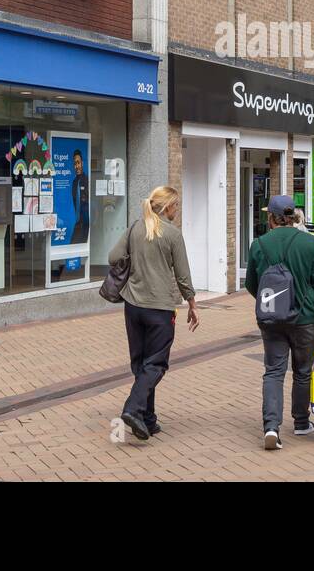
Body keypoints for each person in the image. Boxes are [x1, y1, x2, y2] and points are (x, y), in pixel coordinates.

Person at [108, 186, 199, 441]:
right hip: (159, 309)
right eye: (176, 206)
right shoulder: (172, 234)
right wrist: (192, 304)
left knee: (141, 364)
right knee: (156, 364)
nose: (177, 210)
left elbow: (113, 256)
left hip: (133, 306)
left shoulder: (136, 227)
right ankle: (132, 409)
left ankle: (147, 419)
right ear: (167, 206)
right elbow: (182, 275)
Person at [246, 194, 314, 450]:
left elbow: (252, 283)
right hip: (305, 319)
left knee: (273, 371)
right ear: (292, 216)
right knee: (303, 372)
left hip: (272, 319)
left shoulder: (259, 244)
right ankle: (301, 422)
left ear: (270, 217)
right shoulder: (309, 243)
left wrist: (271, 302)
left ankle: (271, 428)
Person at [70, 149, 90, 244]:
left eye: (78, 163)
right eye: (74, 164)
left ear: (82, 163)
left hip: (86, 223)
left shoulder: (87, 180)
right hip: (78, 223)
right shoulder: (74, 183)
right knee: (73, 246)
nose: (76, 166)